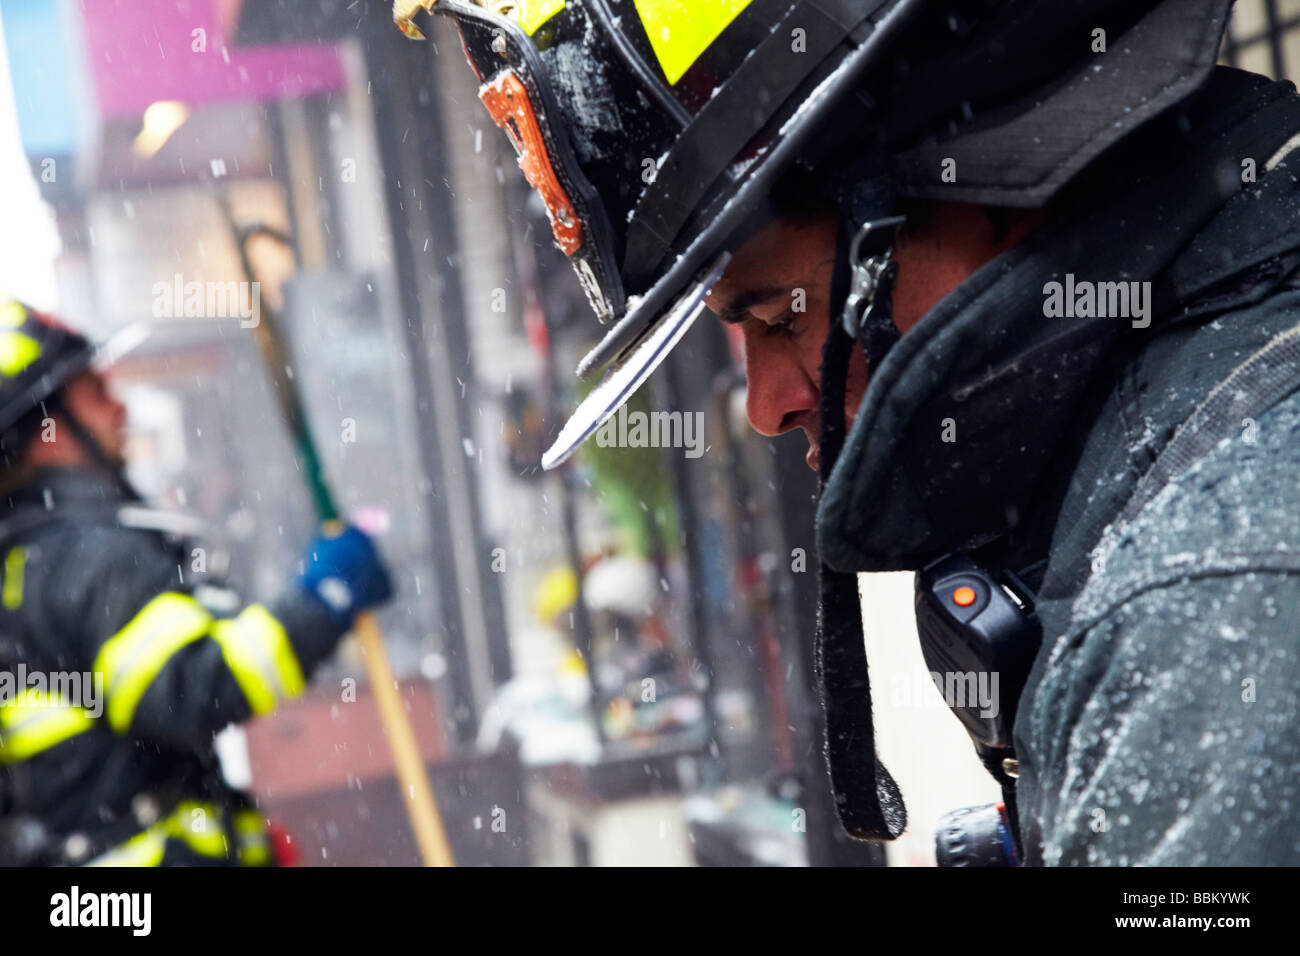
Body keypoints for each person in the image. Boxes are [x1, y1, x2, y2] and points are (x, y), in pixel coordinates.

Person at [403, 0, 1300, 864]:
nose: (763, 406)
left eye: (782, 318)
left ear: (983, 178)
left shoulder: (1208, 613)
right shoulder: (1166, 482)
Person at [0, 300, 393, 866]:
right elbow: (189, 688)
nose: (119, 409)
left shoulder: (27, 563)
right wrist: (322, 598)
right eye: (94, 393)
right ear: (46, 429)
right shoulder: (85, 558)